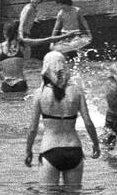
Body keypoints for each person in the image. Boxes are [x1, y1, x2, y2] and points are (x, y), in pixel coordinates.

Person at [26, 51, 100, 188]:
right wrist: (96, 144)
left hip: (50, 150)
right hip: (74, 150)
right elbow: (88, 123)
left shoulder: (40, 94)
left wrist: (28, 151)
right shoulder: (77, 91)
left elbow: (32, 129)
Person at [0, 21, 73, 93]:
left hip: (6, 84)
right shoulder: (23, 43)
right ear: (17, 32)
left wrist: (3, 78)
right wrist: (67, 35)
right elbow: (47, 40)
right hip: (20, 83)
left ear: (4, 33)